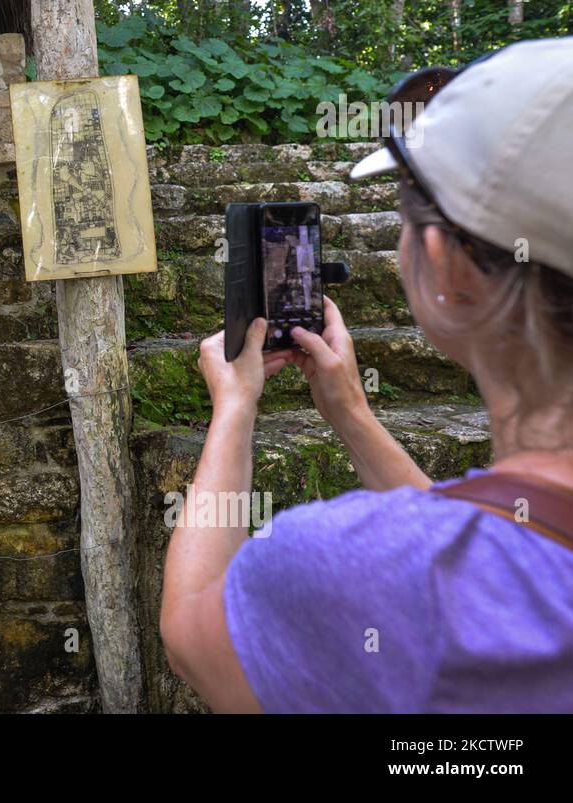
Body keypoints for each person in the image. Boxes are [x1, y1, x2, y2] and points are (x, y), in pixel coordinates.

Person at [160, 37, 573, 712]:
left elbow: (191, 633)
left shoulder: (344, 567)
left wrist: (233, 409)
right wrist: (350, 412)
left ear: (444, 263)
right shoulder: (470, 556)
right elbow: (477, 534)